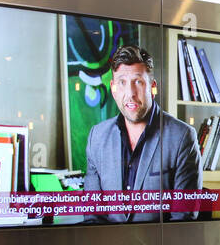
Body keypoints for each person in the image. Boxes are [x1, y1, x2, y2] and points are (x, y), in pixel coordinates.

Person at [84, 44, 201, 222]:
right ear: (113, 89)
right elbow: (93, 216)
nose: (130, 94)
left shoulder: (182, 137)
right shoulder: (97, 137)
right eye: (122, 83)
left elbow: (182, 221)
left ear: (152, 87)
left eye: (138, 82)